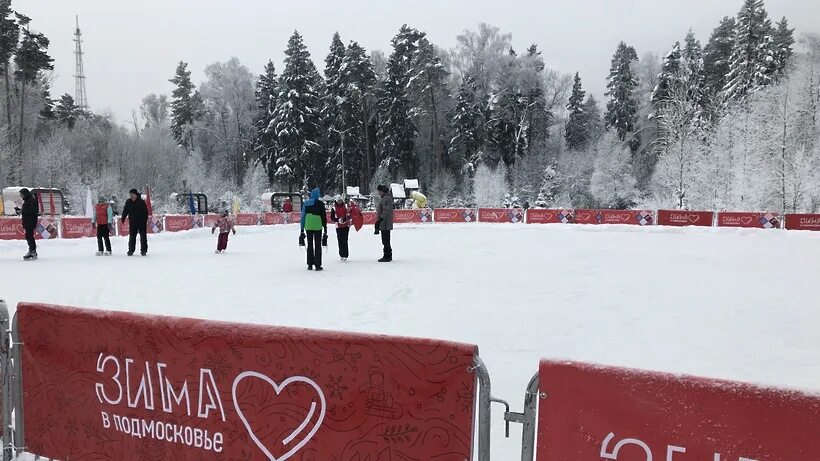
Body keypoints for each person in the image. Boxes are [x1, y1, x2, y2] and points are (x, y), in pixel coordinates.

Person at [299, 188, 327, 271]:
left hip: (308, 225)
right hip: (317, 226)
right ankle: (317, 265)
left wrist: (302, 228)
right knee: (318, 245)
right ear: (317, 195)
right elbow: (323, 217)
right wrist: (325, 228)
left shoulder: (306, 203)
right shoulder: (320, 204)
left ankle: (310, 264)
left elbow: (303, 216)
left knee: (310, 244)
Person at [121, 188, 149, 256]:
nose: (131, 196)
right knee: (132, 236)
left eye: (132, 194)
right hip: (132, 222)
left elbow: (146, 212)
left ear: (136, 194)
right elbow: (125, 210)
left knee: (143, 236)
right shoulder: (128, 202)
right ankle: (131, 250)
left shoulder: (141, 202)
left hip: (141, 222)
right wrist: (123, 218)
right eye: (130, 195)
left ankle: (143, 250)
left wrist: (144, 220)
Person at [18, 188, 39, 261]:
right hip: (27, 221)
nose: (21, 196)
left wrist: (22, 211)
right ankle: (31, 250)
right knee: (28, 236)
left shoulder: (31, 201)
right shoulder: (27, 201)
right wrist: (21, 211)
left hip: (30, 221)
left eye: (21, 195)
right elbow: (28, 210)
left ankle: (33, 251)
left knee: (29, 236)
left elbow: (33, 211)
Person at [375, 185, 394, 262]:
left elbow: (386, 210)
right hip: (384, 222)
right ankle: (387, 255)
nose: (378, 193)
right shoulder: (385, 198)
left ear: (382, 191)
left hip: (385, 223)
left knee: (386, 240)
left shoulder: (386, 198)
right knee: (385, 240)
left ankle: (387, 256)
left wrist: (380, 219)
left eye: (379, 191)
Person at [330, 195, 351, 261]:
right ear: (336, 201)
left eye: (341, 200)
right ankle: (341, 254)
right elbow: (332, 217)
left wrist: (346, 219)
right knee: (340, 240)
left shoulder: (346, 206)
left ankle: (345, 254)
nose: (340, 201)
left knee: (345, 240)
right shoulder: (333, 208)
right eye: (339, 200)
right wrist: (338, 220)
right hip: (338, 226)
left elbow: (349, 214)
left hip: (345, 226)